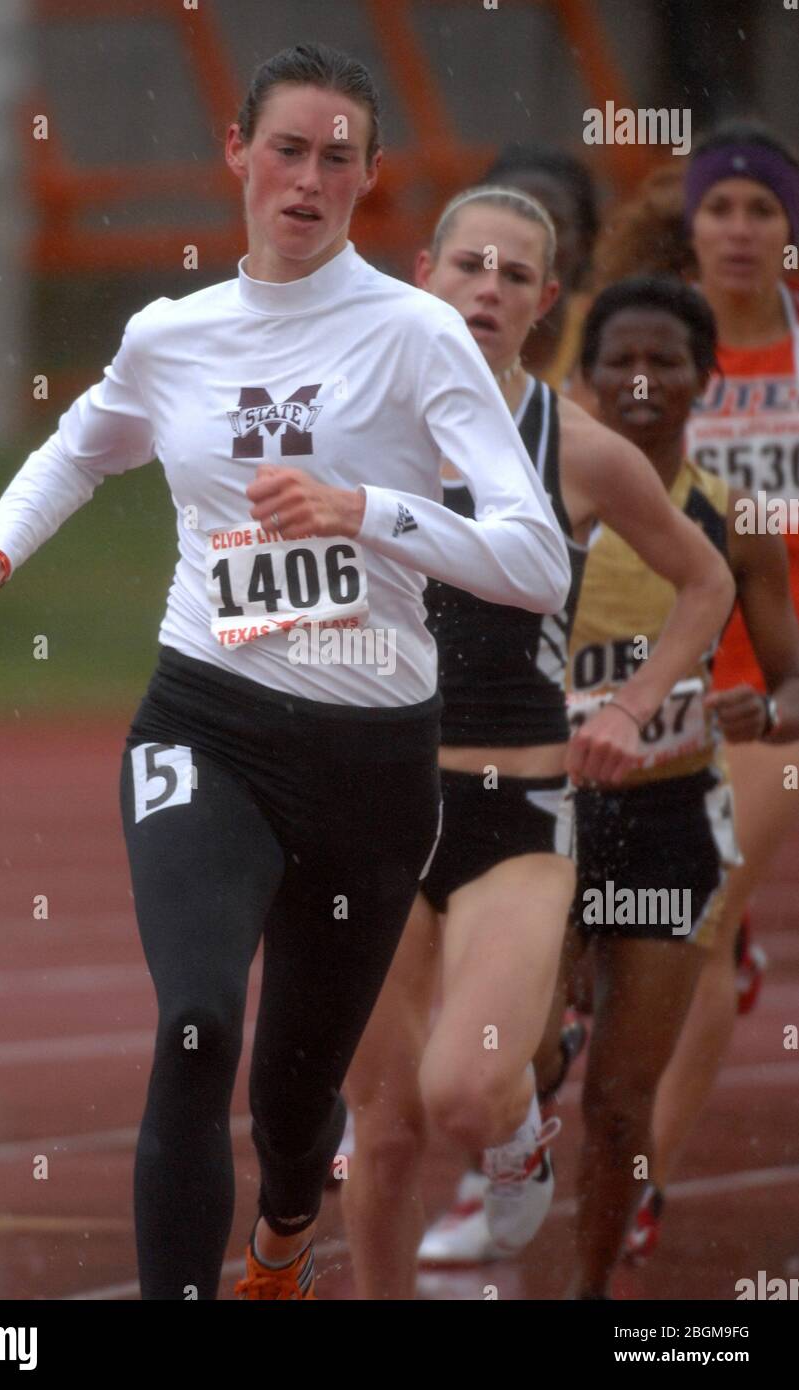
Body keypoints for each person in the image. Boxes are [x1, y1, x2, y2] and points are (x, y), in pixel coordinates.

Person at [0, 43, 578, 1302]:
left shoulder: (417, 333)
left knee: (291, 1102)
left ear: (369, 179)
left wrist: (362, 511)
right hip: (205, 722)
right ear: (237, 153)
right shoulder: (172, 333)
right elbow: (79, 446)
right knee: (193, 1025)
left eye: (339, 157)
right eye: (287, 148)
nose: (308, 177)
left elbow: (534, 562)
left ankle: (284, 1229)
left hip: (372, 758)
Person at [339, 188, 733, 1299]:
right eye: (469, 265)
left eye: (516, 275)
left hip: (514, 809)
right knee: (384, 1126)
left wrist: (629, 706)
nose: (488, 289)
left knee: (466, 1090)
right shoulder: (352, 423)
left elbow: (702, 581)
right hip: (371, 810)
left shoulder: (577, 446)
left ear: (546, 300)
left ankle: (516, 1140)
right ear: (426, 273)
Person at [532, 274, 799, 1299]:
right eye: (620, 359)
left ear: (704, 377)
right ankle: (532, 1073)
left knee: (620, 1101)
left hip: (667, 816)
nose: (642, 378)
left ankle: (589, 1292)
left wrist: (762, 714)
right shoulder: (535, 505)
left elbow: (787, 682)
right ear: (587, 376)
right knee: (524, 1059)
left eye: (667, 359)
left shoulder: (730, 525)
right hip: (540, 813)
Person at [482, 143, 600, 388]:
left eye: (551, 223)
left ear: (585, 242)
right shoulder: (436, 336)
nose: (527, 240)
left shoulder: (613, 340)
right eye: (508, 219)